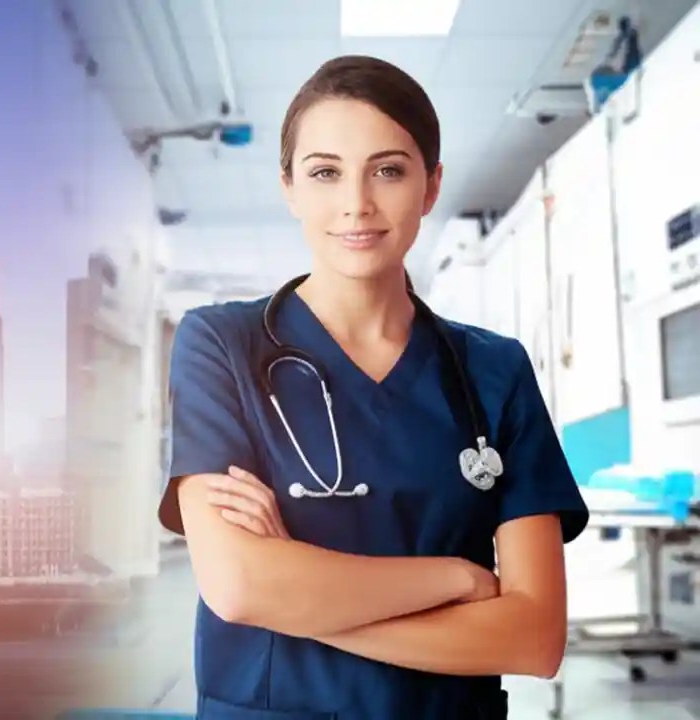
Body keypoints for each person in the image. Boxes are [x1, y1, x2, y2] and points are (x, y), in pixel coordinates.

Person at [157, 55, 589, 720]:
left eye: (388, 170)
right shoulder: (221, 345)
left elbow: (534, 638)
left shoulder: (494, 371)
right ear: (289, 187)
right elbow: (240, 586)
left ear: (431, 185)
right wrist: (456, 579)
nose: (356, 203)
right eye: (325, 172)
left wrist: (300, 601)